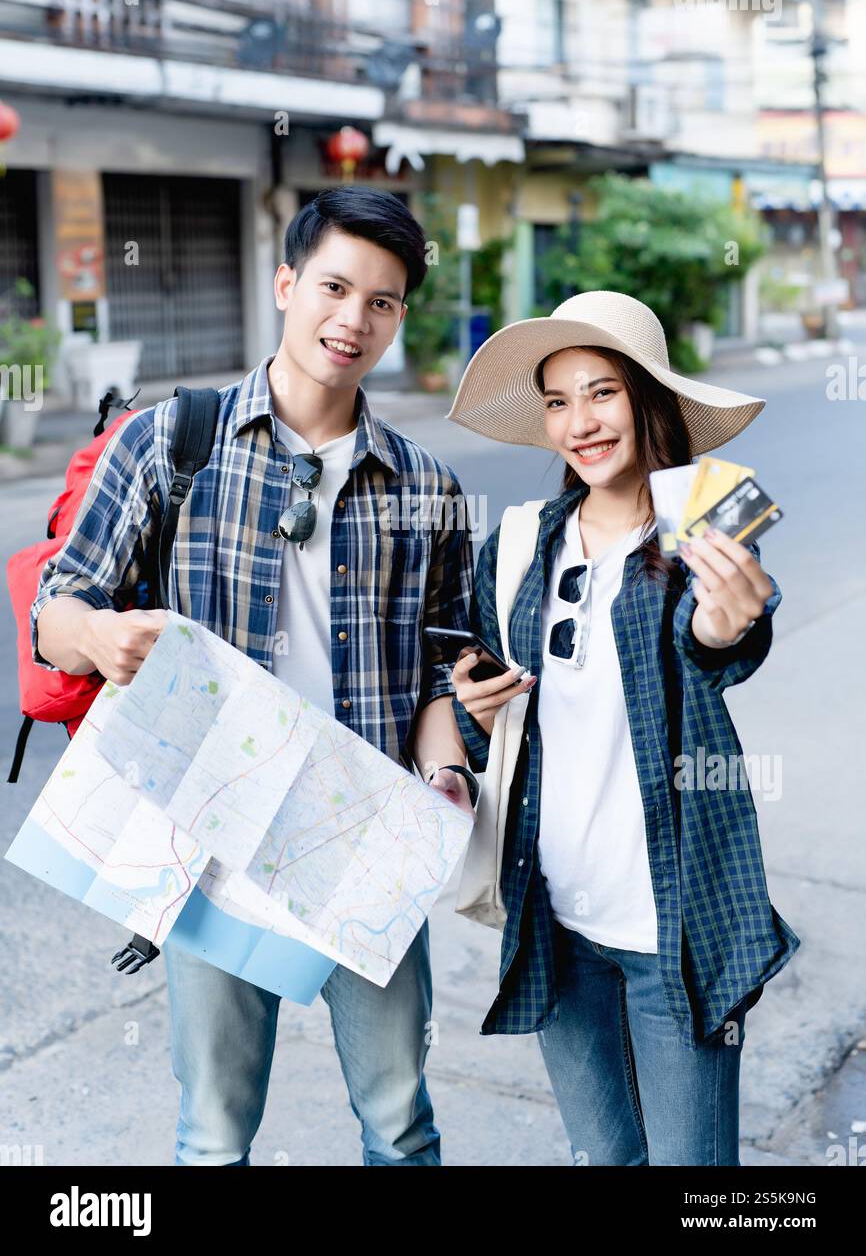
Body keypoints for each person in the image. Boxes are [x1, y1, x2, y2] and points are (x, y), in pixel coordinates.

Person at [30, 187, 479, 1167]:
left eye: (383, 301)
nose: (352, 319)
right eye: (333, 286)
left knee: (400, 1123)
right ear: (285, 283)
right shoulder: (165, 442)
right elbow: (52, 613)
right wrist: (100, 640)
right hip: (213, 831)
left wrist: (444, 776)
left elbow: (447, 660)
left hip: (363, 829)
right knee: (214, 1132)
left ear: (400, 317)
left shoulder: (427, 488)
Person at [446, 289, 801, 1167]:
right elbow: (480, 705)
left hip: (674, 927)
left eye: (601, 392)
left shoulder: (704, 529)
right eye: (559, 401)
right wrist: (471, 706)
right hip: (555, 919)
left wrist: (726, 623)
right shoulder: (523, 541)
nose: (579, 421)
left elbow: (720, 642)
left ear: (647, 399)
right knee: (607, 1161)